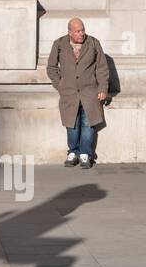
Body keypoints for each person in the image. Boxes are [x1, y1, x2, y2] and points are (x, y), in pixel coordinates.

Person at [46, 18, 109, 168]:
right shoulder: (59, 44)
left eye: (83, 30)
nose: (82, 34)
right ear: (70, 32)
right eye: (78, 31)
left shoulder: (93, 43)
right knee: (71, 124)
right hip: (69, 93)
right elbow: (51, 67)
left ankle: (85, 154)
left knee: (88, 124)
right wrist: (60, 85)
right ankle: (73, 152)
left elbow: (102, 68)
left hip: (89, 92)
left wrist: (102, 88)